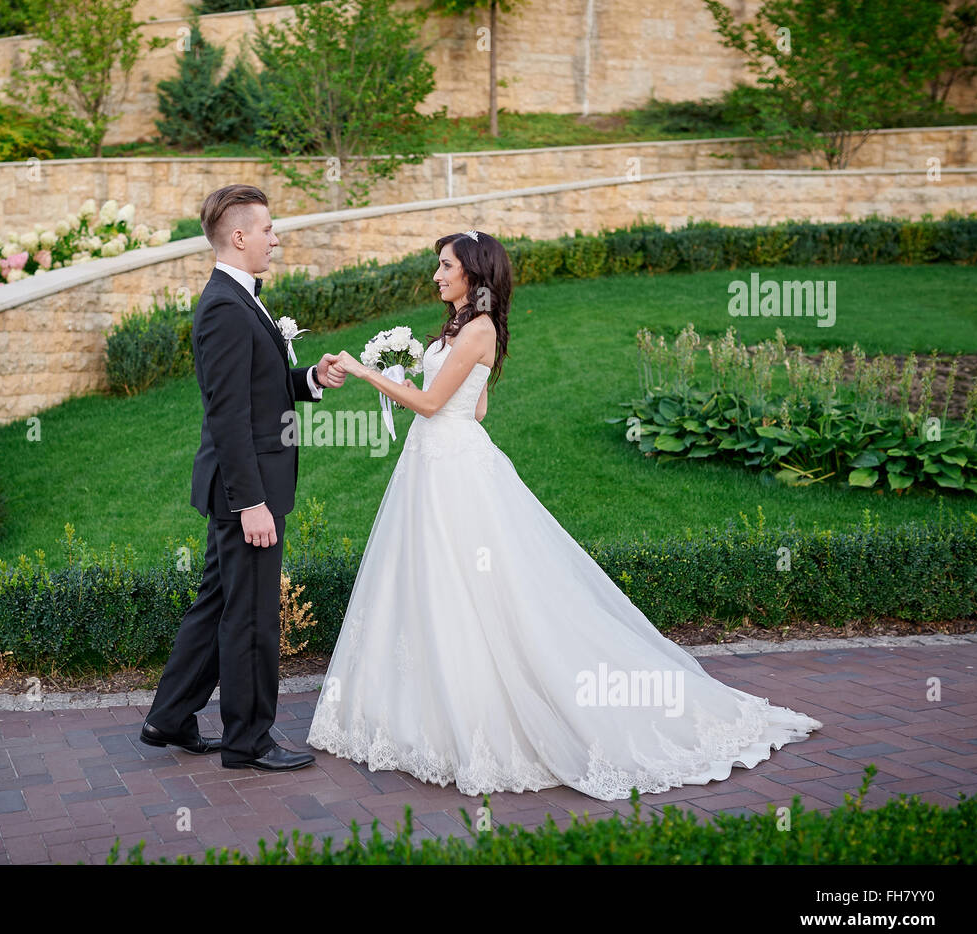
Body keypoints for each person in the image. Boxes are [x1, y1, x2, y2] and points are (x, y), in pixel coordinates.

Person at [305, 229, 822, 800]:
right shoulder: (461, 327)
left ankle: (478, 710)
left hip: (452, 468)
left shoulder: (478, 329)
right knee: (430, 578)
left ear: (473, 272)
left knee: (472, 584)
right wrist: (415, 382)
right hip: (436, 461)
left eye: (445, 266)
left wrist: (369, 373)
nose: (436, 275)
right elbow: (474, 407)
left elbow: (431, 406)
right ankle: (418, 707)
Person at [141, 184, 347, 771]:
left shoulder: (239, 299)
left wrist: (310, 379)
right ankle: (248, 740)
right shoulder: (226, 309)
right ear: (239, 237)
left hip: (243, 486)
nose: (275, 239)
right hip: (246, 492)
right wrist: (251, 502)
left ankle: (169, 717)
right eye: (268, 230)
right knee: (251, 615)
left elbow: (259, 391)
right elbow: (227, 416)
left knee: (217, 603)